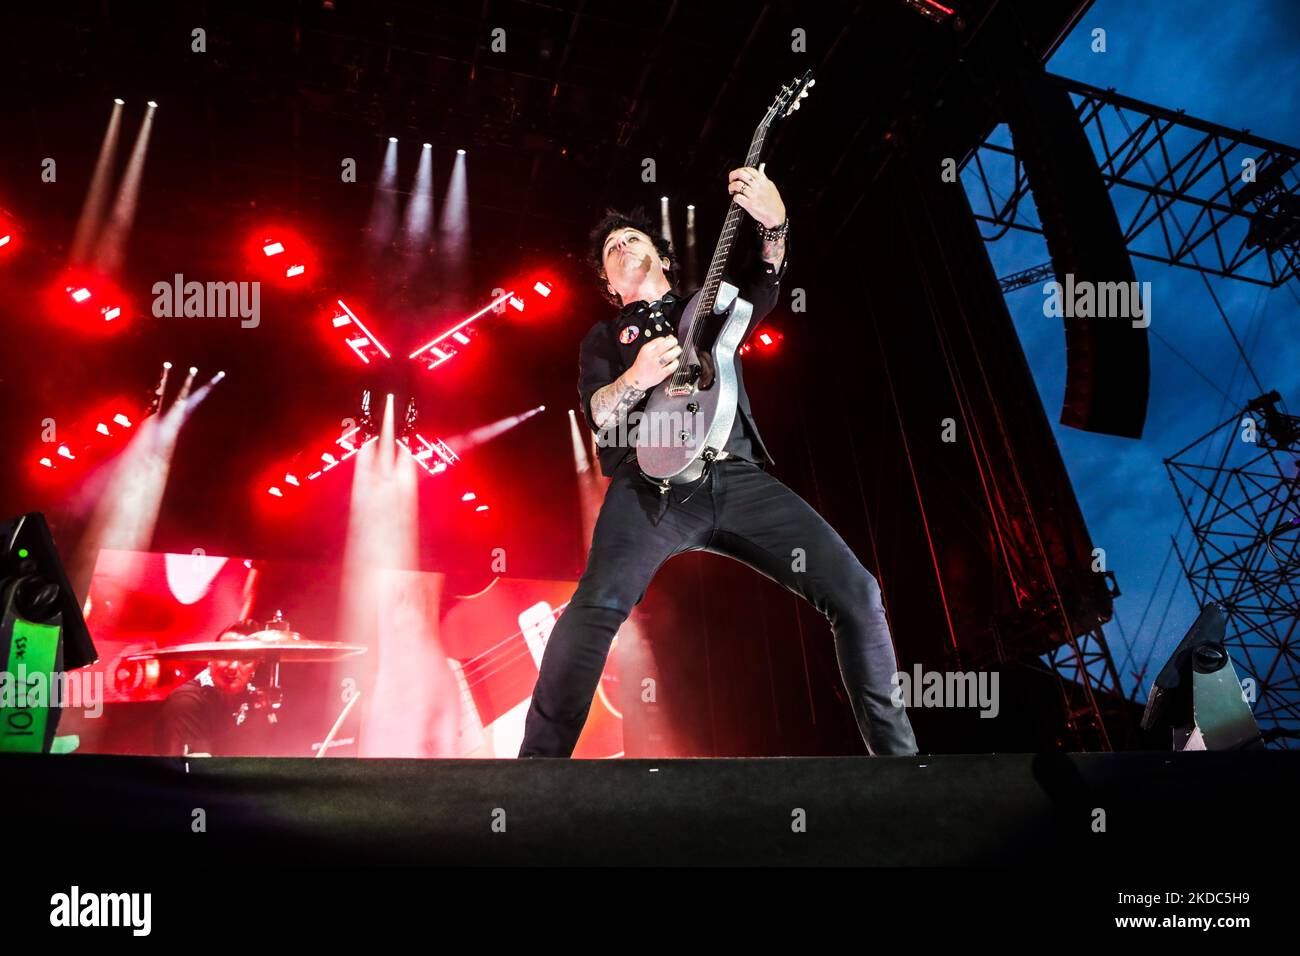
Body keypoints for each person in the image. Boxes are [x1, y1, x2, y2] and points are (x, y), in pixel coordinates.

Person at [518, 163, 918, 757]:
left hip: (732, 475)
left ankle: (902, 765)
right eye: (610, 248)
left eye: (633, 237)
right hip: (647, 490)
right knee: (597, 604)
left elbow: (767, 282)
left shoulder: (714, 310)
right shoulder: (602, 339)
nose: (622, 244)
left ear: (662, 256)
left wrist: (776, 223)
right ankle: (534, 773)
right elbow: (601, 414)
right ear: (609, 282)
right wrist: (636, 376)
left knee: (857, 591)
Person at [158, 620, 282, 756]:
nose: (233, 667)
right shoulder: (186, 701)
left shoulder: (256, 701)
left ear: (255, 666)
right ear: (210, 659)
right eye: (226, 655)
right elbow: (197, 770)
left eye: (245, 659)